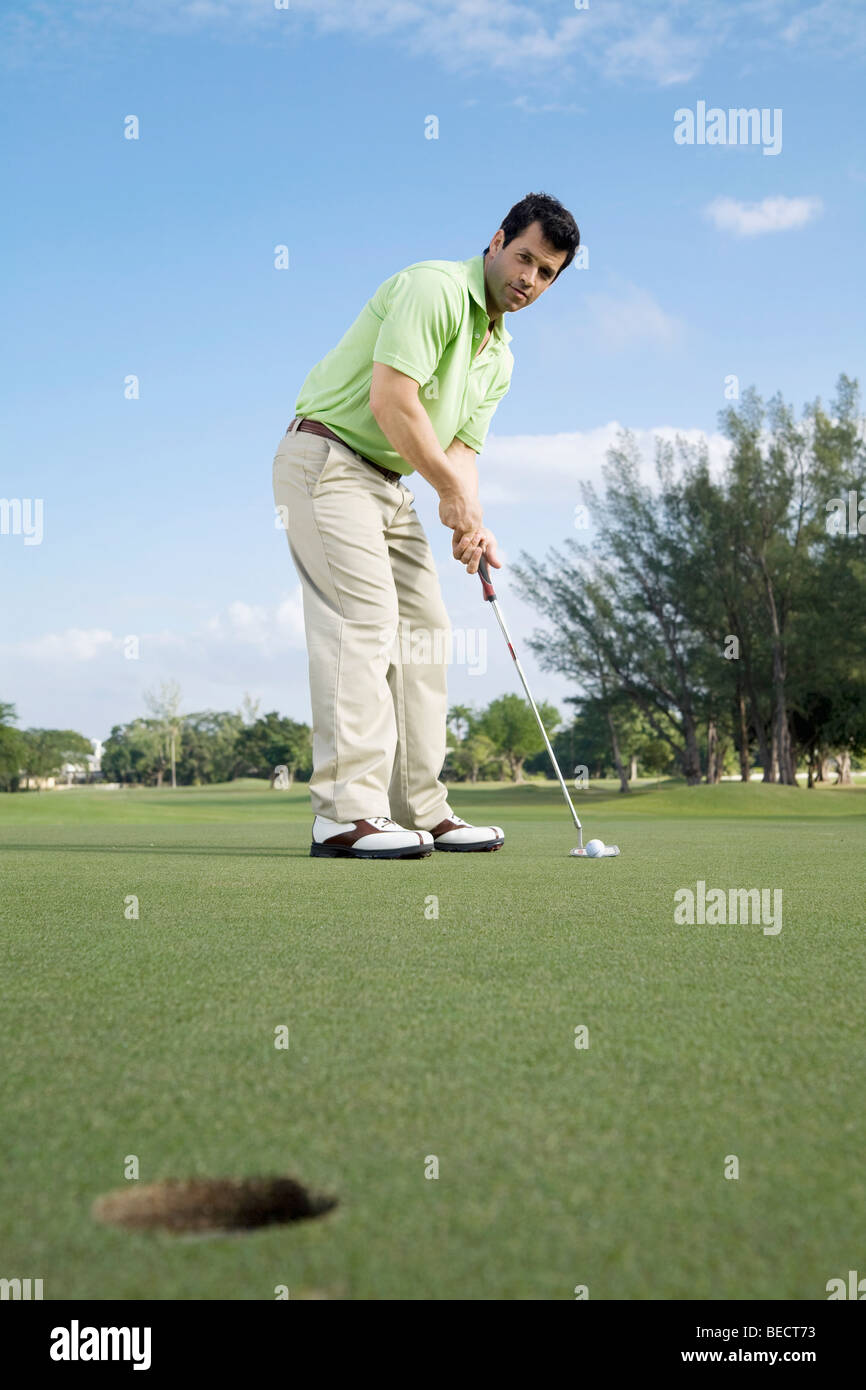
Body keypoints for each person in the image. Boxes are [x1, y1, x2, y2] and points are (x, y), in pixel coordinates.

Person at [272, 192, 580, 859]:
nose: (529, 279)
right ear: (497, 241)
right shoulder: (434, 288)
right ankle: (344, 815)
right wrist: (446, 491)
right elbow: (392, 400)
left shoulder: (499, 356)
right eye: (524, 257)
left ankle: (421, 810)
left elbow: (462, 454)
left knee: (425, 631)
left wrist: (469, 520)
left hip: (390, 482)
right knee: (366, 621)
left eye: (547, 272)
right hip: (325, 457)